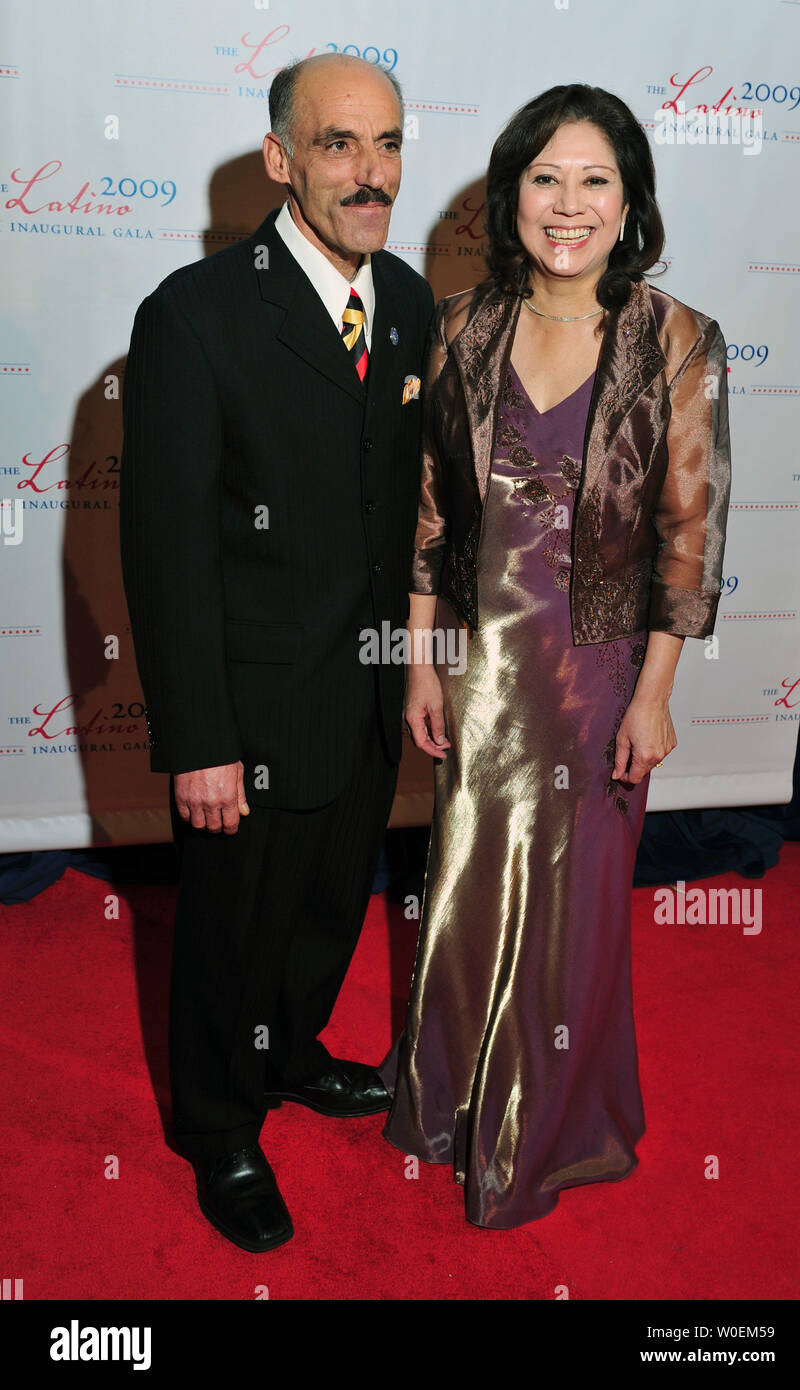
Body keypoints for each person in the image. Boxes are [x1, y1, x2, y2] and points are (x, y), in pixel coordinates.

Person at [379, 84, 732, 1229]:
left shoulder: (677, 338)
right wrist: (426, 666)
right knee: (466, 892)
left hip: (597, 676)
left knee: (572, 908)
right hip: (479, 664)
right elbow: (430, 515)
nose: (568, 204)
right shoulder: (461, 325)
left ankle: (551, 1127)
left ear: (629, 202)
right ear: (511, 192)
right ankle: (451, 1103)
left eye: (595, 180)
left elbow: (691, 536)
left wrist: (657, 696)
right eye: (546, 178)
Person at [119, 52, 434, 1252]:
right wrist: (196, 742)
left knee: (322, 912)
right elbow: (167, 553)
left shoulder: (407, 301)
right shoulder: (193, 316)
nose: (372, 173)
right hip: (247, 713)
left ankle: (292, 1053)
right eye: (342, 144)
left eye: (390, 144)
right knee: (228, 932)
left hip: (359, 700)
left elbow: (412, 515)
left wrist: (420, 664)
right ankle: (217, 1125)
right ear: (280, 159)